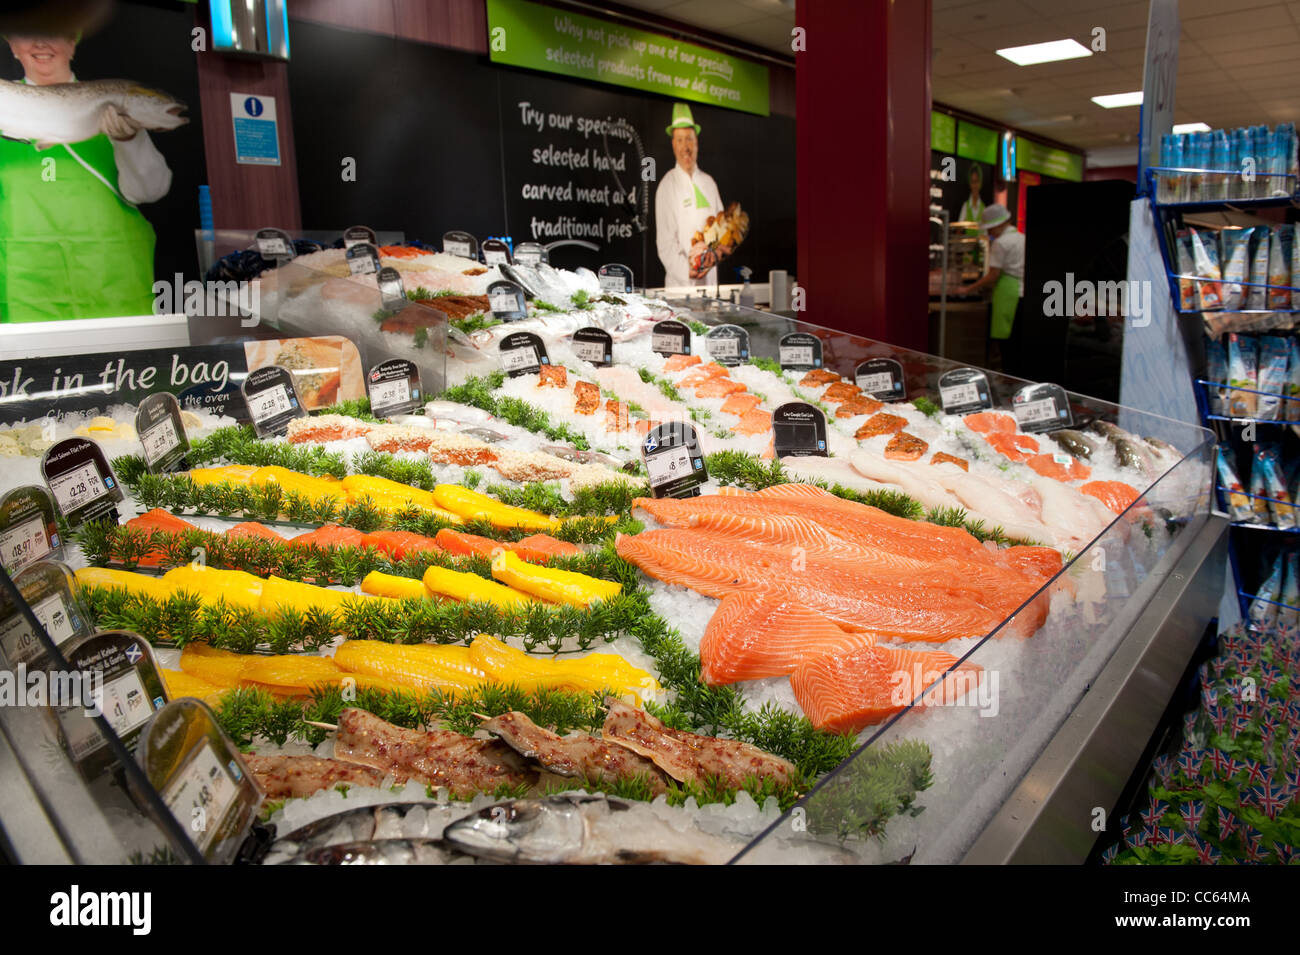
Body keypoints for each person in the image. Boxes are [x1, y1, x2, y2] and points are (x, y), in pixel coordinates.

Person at [1, 33, 172, 323]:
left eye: (53, 33)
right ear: (13, 47)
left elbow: (150, 191)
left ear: (72, 43)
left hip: (113, 288)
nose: (41, 44)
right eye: (28, 34)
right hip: (24, 292)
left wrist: (128, 139)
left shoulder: (112, 103)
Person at [655, 102, 723, 289]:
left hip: (710, 285)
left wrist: (713, 256)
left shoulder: (709, 183)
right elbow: (665, 243)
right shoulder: (667, 185)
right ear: (673, 144)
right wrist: (688, 271)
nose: (686, 147)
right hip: (680, 288)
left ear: (697, 142)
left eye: (689, 139)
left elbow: (722, 230)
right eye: (680, 140)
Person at [957, 204, 1026, 376]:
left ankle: (1008, 377)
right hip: (1022, 293)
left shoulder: (1001, 243)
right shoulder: (1021, 238)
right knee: (1018, 341)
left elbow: (993, 275)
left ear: (998, 225)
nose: (989, 233)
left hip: (1007, 293)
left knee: (1007, 344)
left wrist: (968, 288)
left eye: (990, 229)